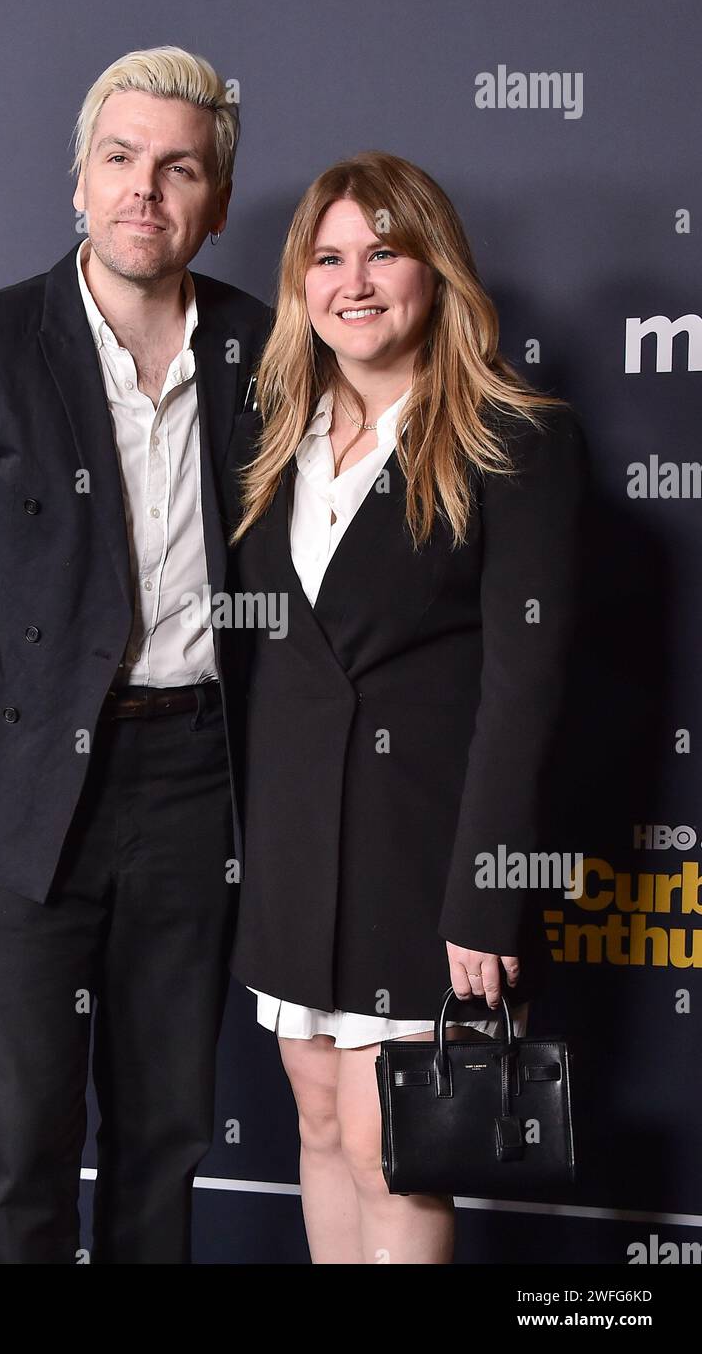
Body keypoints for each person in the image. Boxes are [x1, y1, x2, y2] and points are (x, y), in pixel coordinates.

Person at [0, 45, 271, 1264]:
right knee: (22, 1143)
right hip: (20, 785)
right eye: (120, 158)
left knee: (167, 1136)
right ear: (79, 182)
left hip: (198, 780)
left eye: (179, 168)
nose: (146, 188)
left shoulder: (264, 348)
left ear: (216, 202)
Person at [227, 151, 587, 1264]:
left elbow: (526, 688)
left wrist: (488, 891)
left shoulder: (514, 436)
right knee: (318, 1123)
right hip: (295, 852)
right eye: (329, 257)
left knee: (395, 1148)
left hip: (423, 858)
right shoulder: (270, 435)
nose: (356, 281)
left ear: (436, 269)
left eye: (383, 252)